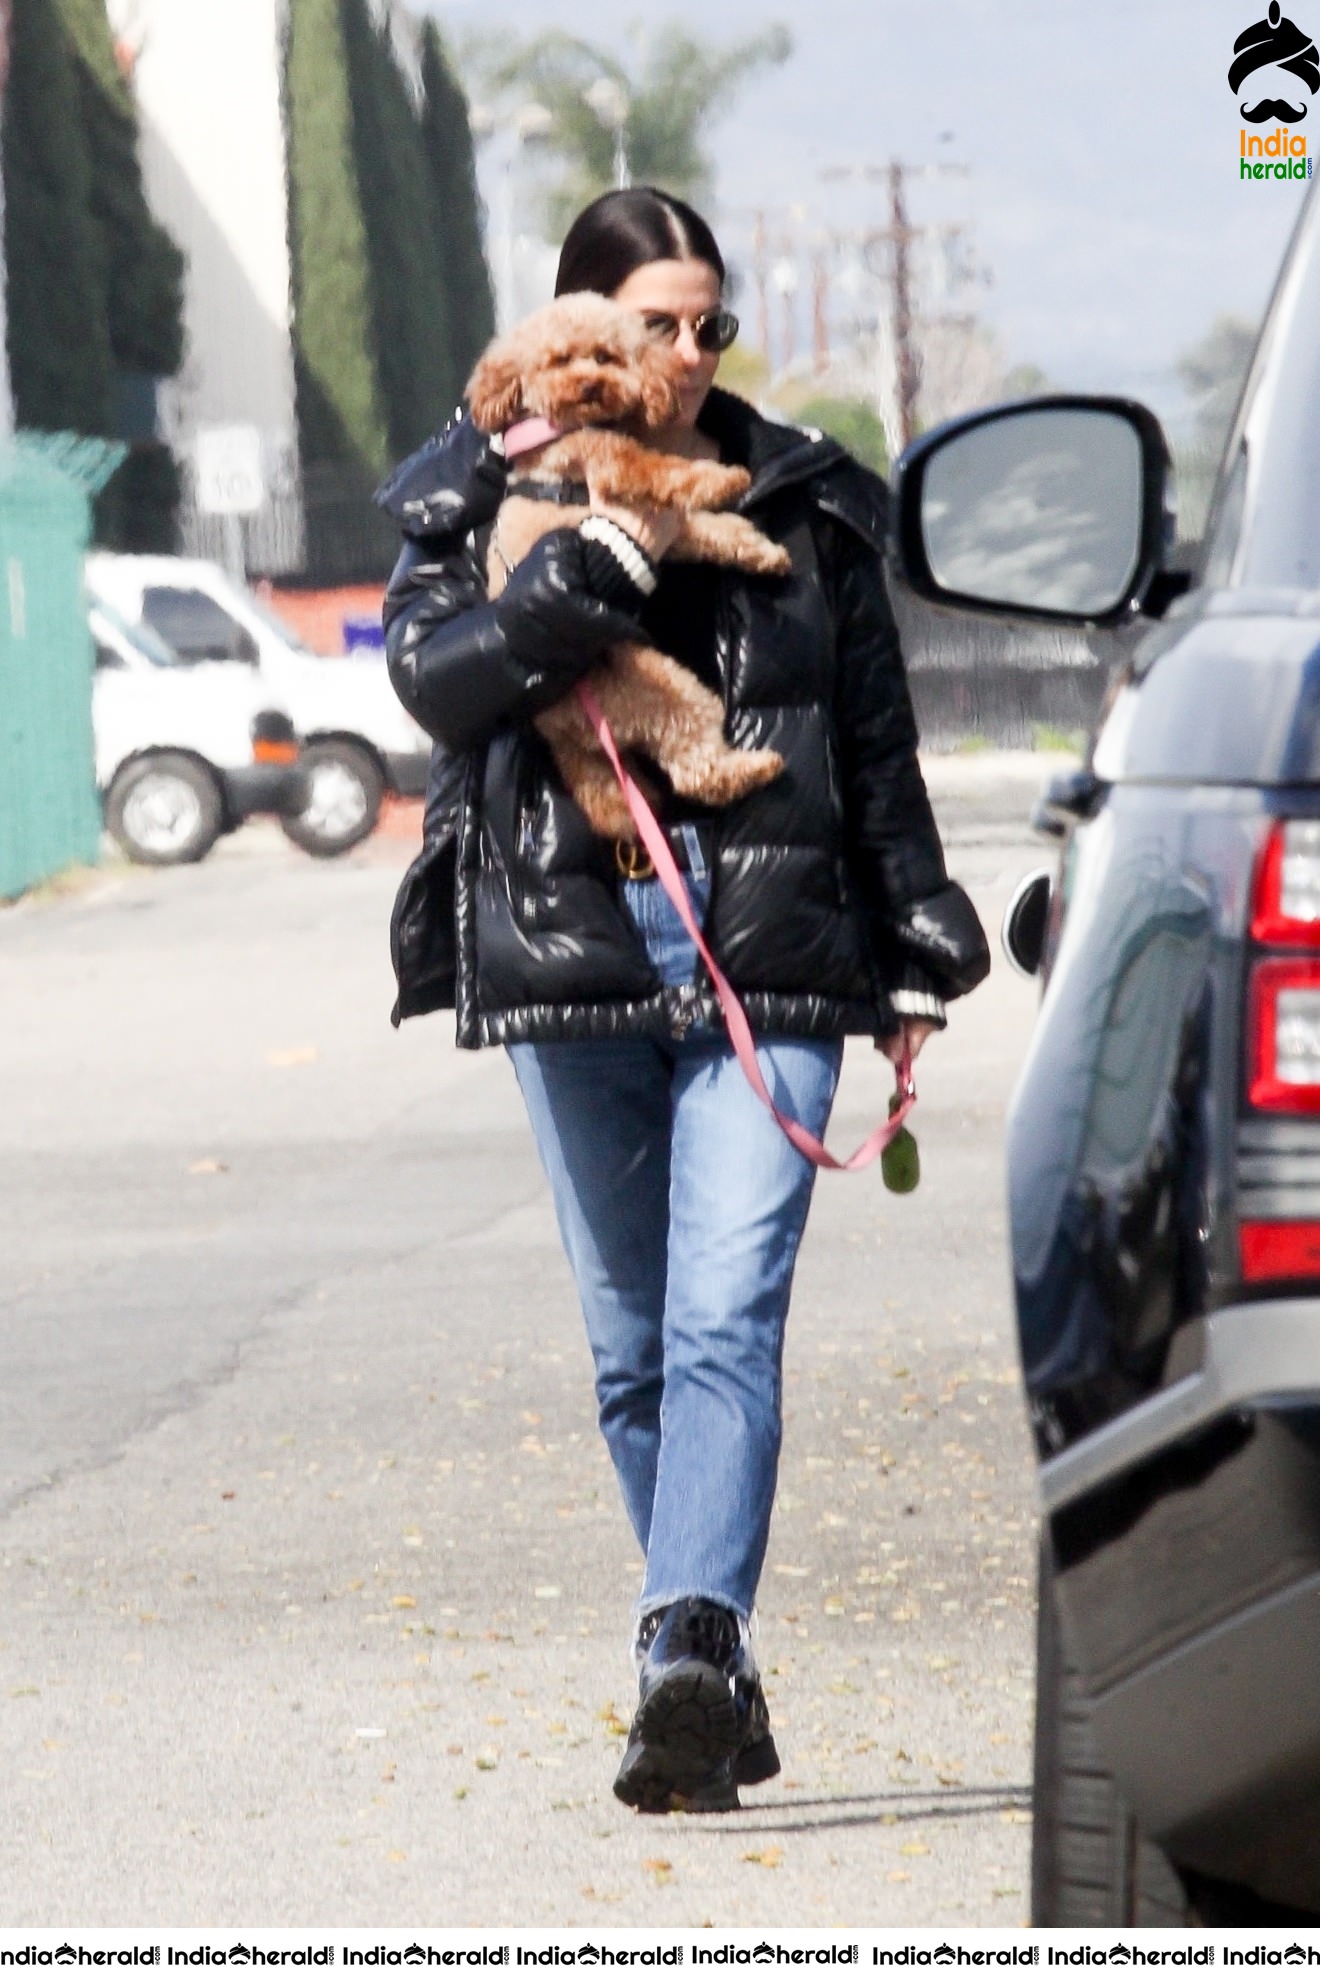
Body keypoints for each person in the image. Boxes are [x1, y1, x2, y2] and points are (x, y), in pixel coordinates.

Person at [379, 187, 990, 1814]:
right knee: (632, 1348)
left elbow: (871, 734)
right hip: (571, 945)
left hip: (772, 952)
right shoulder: (471, 484)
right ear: (574, 332)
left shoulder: (795, 496)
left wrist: (915, 935)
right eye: (657, 320)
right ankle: (704, 1657)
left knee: (728, 1314)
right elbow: (431, 683)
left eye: (710, 321)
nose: (687, 350)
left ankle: (687, 1642)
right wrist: (569, 583)